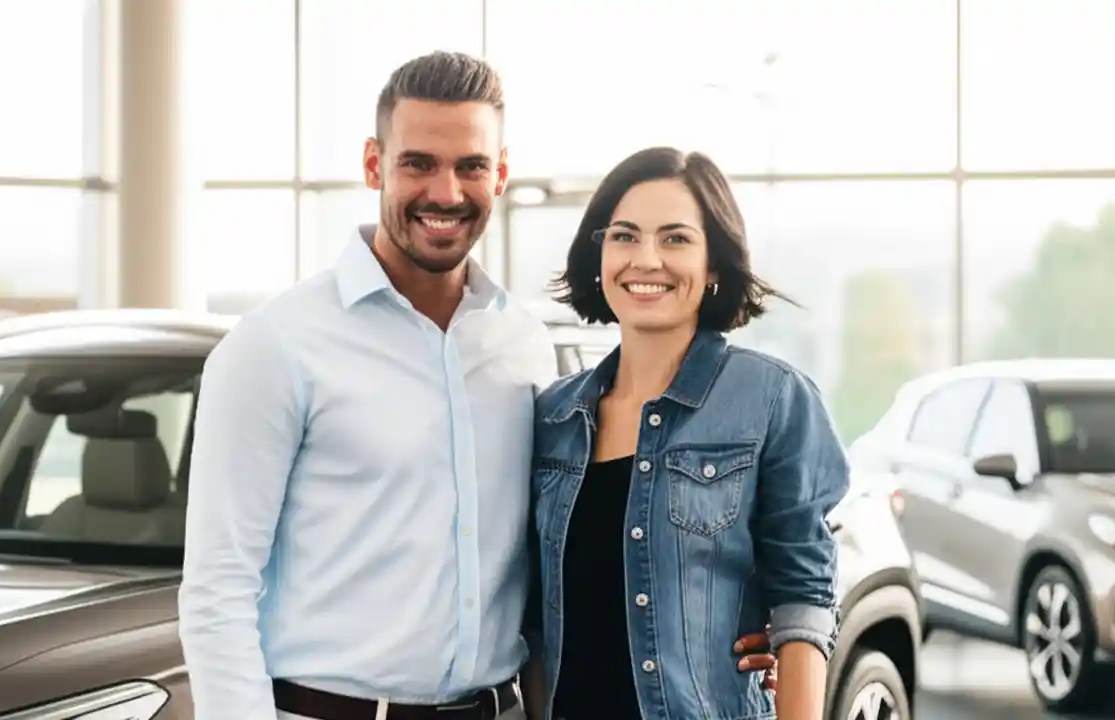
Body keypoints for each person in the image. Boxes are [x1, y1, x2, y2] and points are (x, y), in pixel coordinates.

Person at [178, 51, 776, 720]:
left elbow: (576, 550)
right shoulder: (276, 346)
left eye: (470, 166)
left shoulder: (521, 343)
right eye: (419, 164)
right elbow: (217, 590)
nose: (446, 193)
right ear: (374, 164)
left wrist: (737, 614)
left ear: (501, 174)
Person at [527, 146, 849, 720]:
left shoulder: (771, 399)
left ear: (714, 266)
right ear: (599, 255)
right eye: (624, 236)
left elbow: (803, 602)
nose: (646, 258)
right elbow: (530, 610)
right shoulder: (553, 418)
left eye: (675, 239)